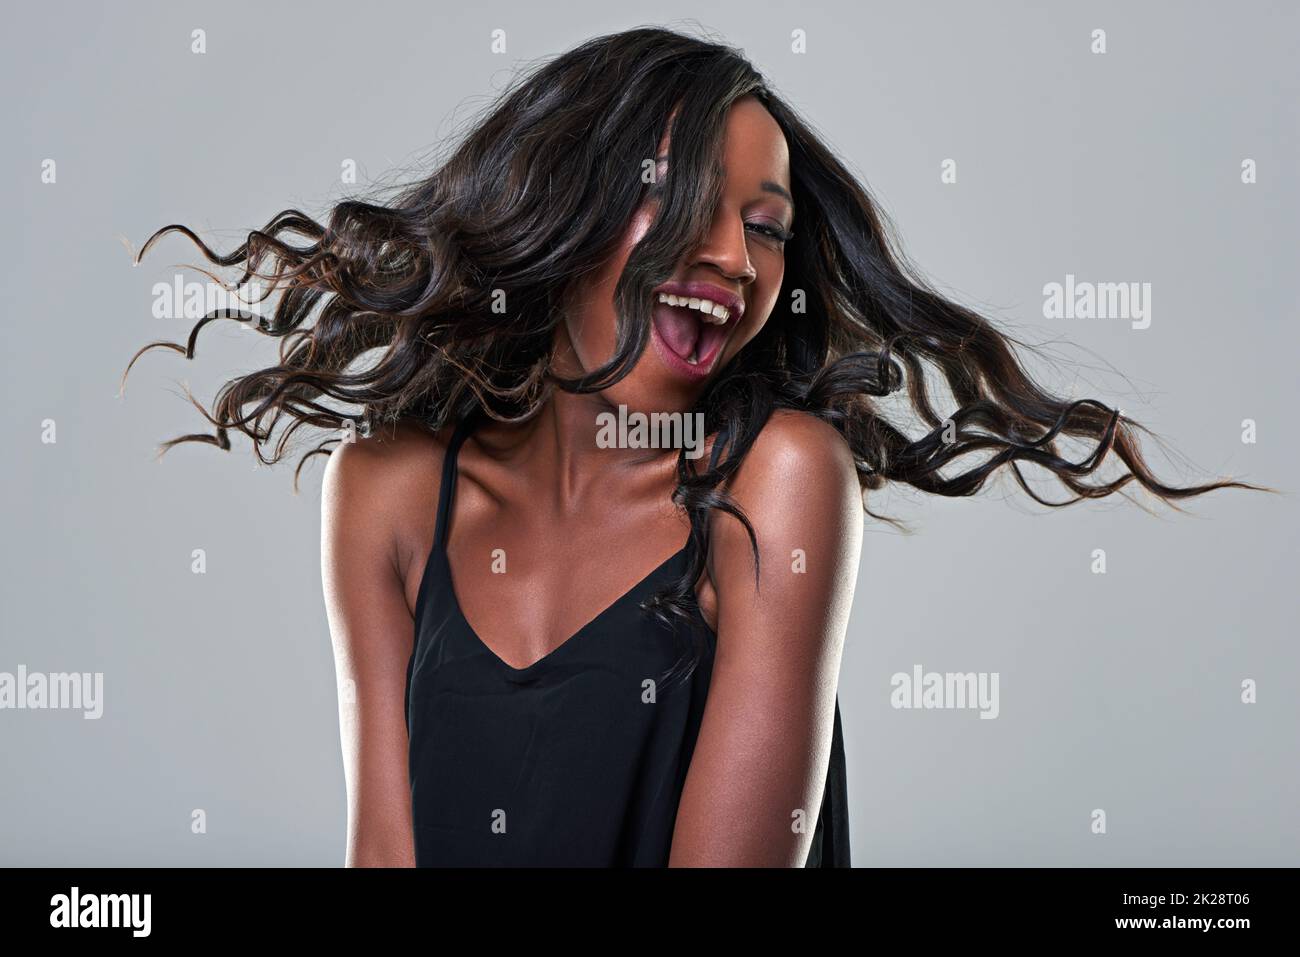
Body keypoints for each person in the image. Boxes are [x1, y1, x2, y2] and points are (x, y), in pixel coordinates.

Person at [124, 27, 1266, 867]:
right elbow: (383, 856)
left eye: (765, 227)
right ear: (563, 204)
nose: (731, 256)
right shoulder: (384, 492)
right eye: (679, 202)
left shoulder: (776, 481)